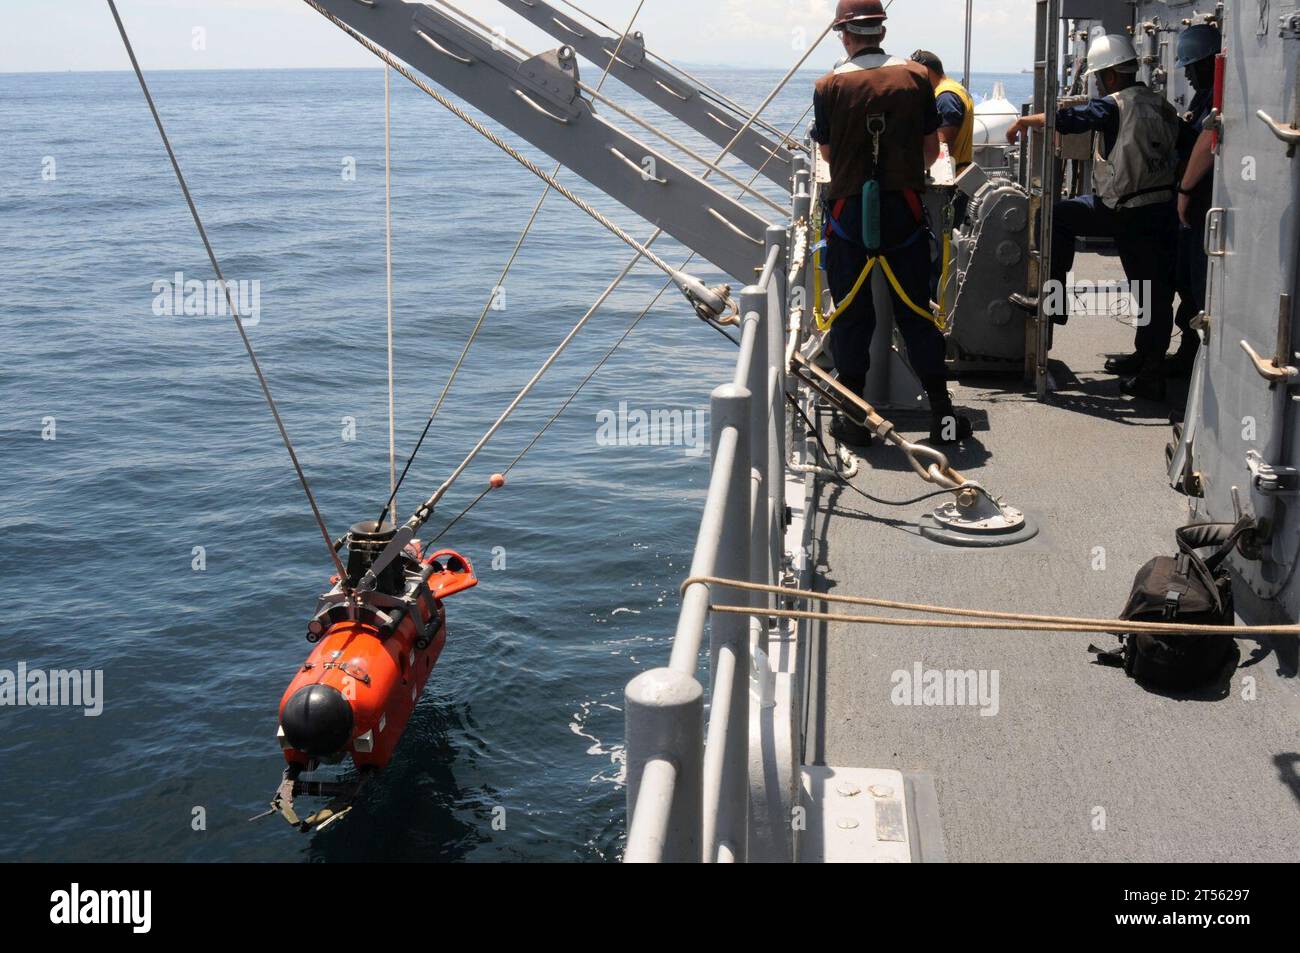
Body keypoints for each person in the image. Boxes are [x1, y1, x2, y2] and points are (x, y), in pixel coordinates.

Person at [813, 0, 972, 445]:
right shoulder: (917, 78)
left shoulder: (827, 86)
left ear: (845, 34)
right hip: (904, 209)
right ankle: (942, 414)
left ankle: (856, 418)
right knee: (917, 312)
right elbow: (929, 148)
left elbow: (826, 154)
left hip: (849, 217)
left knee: (850, 315)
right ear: (881, 32)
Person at [1006, 33, 1181, 400]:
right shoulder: (1163, 106)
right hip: (1160, 211)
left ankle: (1052, 304)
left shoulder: (1115, 104)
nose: (1100, 86)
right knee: (1152, 290)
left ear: (1113, 77)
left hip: (1120, 208)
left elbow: (1071, 119)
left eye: (1101, 79)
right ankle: (1147, 362)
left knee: (1058, 217)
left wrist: (1026, 123)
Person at [1169, 23, 1221, 377]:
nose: (1186, 74)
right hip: (1195, 213)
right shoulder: (1204, 97)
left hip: (1202, 206)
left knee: (1202, 291)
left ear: (1209, 64)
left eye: (1191, 66)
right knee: (1187, 285)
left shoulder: (1216, 100)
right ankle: (1188, 358)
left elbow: (1205, 139)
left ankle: (1198, 373)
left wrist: (1184, 192)